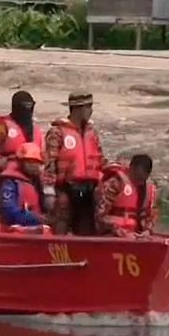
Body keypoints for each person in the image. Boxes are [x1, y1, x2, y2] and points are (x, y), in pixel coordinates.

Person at [44, 92, 104, 236]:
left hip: (88, 191)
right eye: (88, 106)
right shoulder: (57, 132)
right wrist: (49, 192)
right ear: (77, 108)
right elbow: (49, 163)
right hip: (65, 190)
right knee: (60, 229)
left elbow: (100, 160)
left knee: (87, 232)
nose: (91, 110)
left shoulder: (92, 134)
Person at [95, 153, 157, 237]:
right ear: (131, 168)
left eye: (143, 179)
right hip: (111, 234)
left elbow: (149, 216)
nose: (140, 182)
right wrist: (121, 232)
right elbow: (100, 217)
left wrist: (147, 230)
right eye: (137, 176)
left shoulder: (147, 188)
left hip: (136, 235)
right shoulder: (115, 183)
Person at [0, 143, 46, 229]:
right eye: (30, 162)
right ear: (20, 162)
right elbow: (9, 213)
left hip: (34, 230)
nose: (33, 166)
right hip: (14, 232)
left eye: (36, 163)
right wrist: (36, 218)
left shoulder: (35, 182)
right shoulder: (10, 182)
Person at [0, 91, 44, 173]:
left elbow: (42, 155)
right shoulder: (1, 124)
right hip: (6, 173)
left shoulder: (36, 129)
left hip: (32, 174)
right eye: (24, 108)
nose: (27, 112)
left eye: (29, 107)